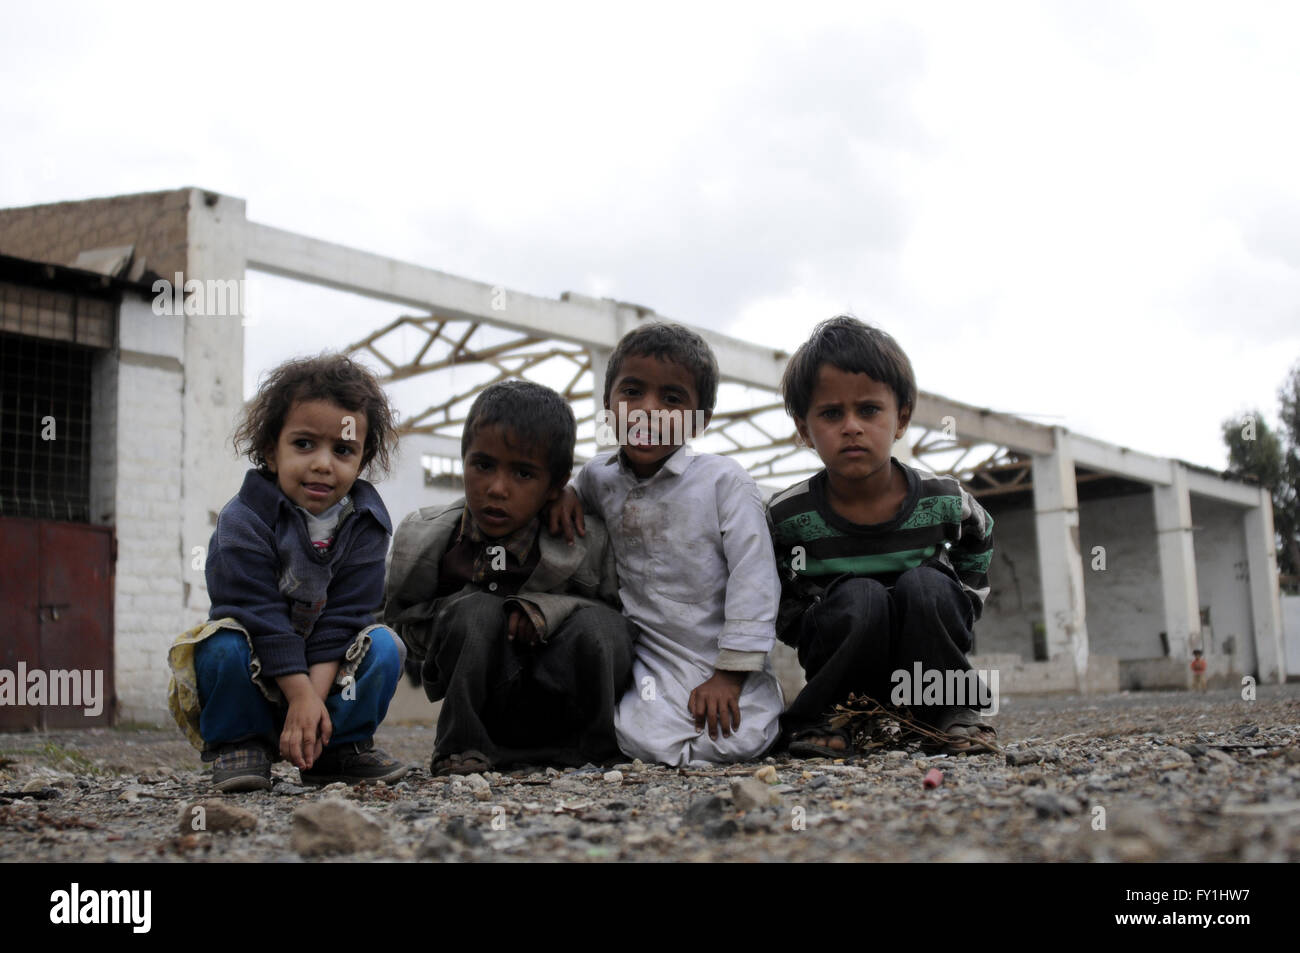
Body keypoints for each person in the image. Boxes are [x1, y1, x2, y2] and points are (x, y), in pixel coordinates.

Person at [166, 353, 408, 792]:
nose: (322, 463)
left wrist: (311, 704)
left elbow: (346, 619)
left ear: (362, 459)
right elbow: (256, 611)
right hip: (258, 669)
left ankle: (337, 747)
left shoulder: (367, 523)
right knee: (218, 644)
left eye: (343, 450)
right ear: (269, 451)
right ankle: (242, 743)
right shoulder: (244, 519)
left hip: (326, 676)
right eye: (304, 444)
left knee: (385, 646)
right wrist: (296, 695)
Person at [550, 323, 784, 766]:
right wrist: (560, 492)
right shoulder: (597, 479)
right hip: (650, 656)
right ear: (607, 405)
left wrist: (730, 676)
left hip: (717, 652)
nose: (647, 410)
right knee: (641, 739)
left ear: (702, 418)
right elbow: (576, 492)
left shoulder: (723, 481)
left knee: (739, 737)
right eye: (632, 392)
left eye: (672, 399)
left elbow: (754, 578)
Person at [767, 315, 997, 758]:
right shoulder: (788, 514)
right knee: (862, 597)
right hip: (843, 648)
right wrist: (798, 624)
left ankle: (949, 711)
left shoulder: (943, 499)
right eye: (831, 413)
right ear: (803, 429)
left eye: (869, 410)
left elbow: (980, 534)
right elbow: (766, 576)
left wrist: (965, 602)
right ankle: (830, 716)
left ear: (901, 419)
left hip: (925, 652)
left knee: (927, 584)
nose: (851, 426)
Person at [383, 380, 634, 775]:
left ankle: (593, 749)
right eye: (482, 465)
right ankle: (460, 748)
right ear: (464, 458)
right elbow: (404, 624)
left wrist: (545, 610)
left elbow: (624, 622)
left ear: (555, 485)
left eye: (523, 474)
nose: (497, 489)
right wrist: (474, 616)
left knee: (599, 625)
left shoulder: (586, 541)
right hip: (490, 709)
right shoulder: (427, 538)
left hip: (563, 702)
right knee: (477, 612)